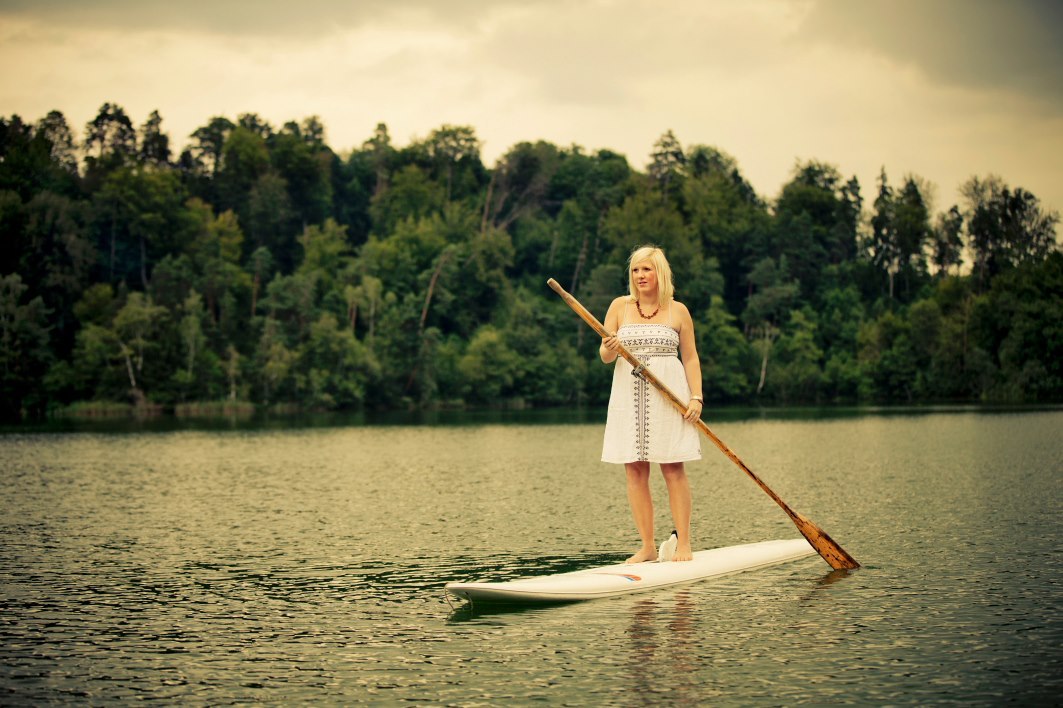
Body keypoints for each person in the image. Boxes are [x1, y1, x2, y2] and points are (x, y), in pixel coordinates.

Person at [599, 245, 704, 563]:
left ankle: (683, 542)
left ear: (660, 273)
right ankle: (646, 546)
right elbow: (604, 358)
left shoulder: (678, 310)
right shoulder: (619, 307)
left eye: (646, 269)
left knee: (673, 468)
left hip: (669, 396)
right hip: (628, 396)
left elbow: (690, 357)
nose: (640, 275)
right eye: (635, 270)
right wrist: (610, 346)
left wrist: (696, 396)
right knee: (634, 470)